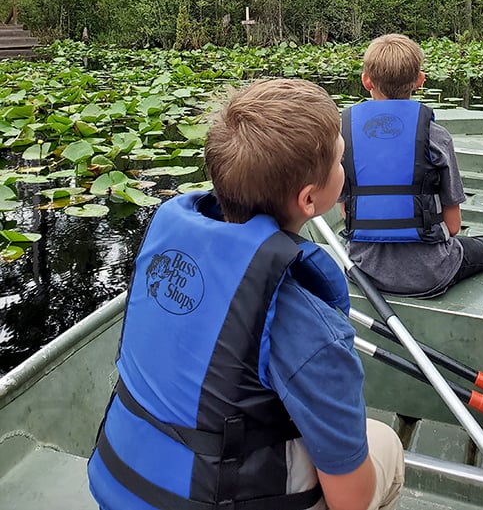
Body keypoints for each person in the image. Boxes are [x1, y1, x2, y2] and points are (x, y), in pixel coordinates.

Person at [87, 78, 404, 510]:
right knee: (383, 441)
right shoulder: (314, 329)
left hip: (122, 487)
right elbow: (350, 499)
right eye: (340, 160)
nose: (344, 169)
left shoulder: (169, 252)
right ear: (309, 200)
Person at [339, 33, 483, 297]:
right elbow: (452, 227)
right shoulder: (437, 136)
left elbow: (345, 213)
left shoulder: (343, 137)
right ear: (420, 81)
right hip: (431, 274)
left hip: (364, 272)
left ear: (366, 81)